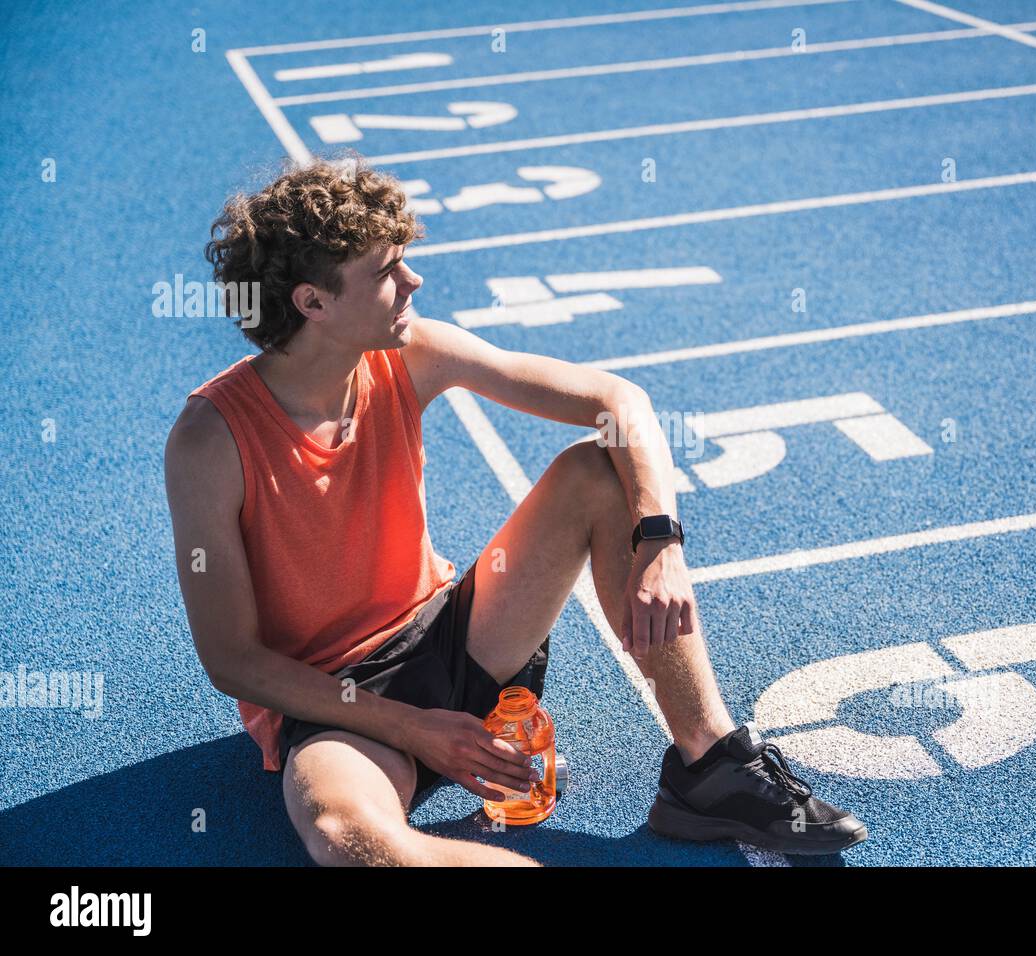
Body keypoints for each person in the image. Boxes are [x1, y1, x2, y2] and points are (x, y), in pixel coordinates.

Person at [164, 156, 868, 866]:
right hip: (338, 704)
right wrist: (412, 727)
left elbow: (617, 402)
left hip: (454, 633)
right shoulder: (210, 439)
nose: (415, 281)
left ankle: (710, 763)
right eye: (387, 272)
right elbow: (233, 660)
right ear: (313, 303)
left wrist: (660, 539)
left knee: (598, 474)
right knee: (349, 840)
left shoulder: (411, 354)